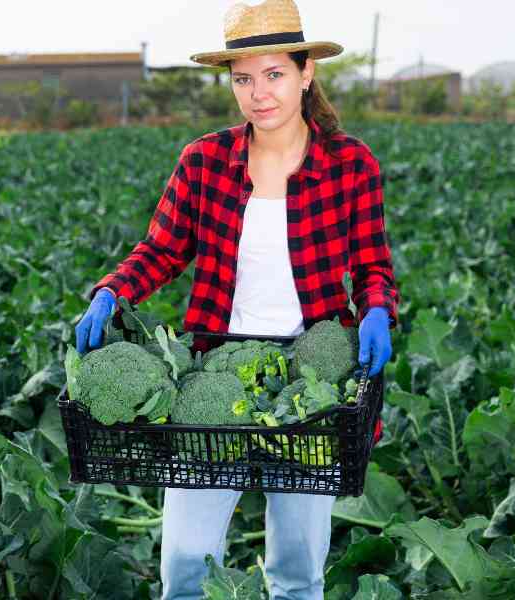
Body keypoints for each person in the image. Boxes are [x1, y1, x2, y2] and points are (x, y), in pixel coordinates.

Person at [74, 1, 399, 597]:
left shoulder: (351, 164)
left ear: (306, 74)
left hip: (310, 385)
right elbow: (162, 250)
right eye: (243, 78)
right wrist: (112, 291)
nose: (259, 94)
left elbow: (373, 265)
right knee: (185, 564)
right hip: (213, 369)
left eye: (274, 74)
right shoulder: (204, 160)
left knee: (299, 568)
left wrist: (376, 308)